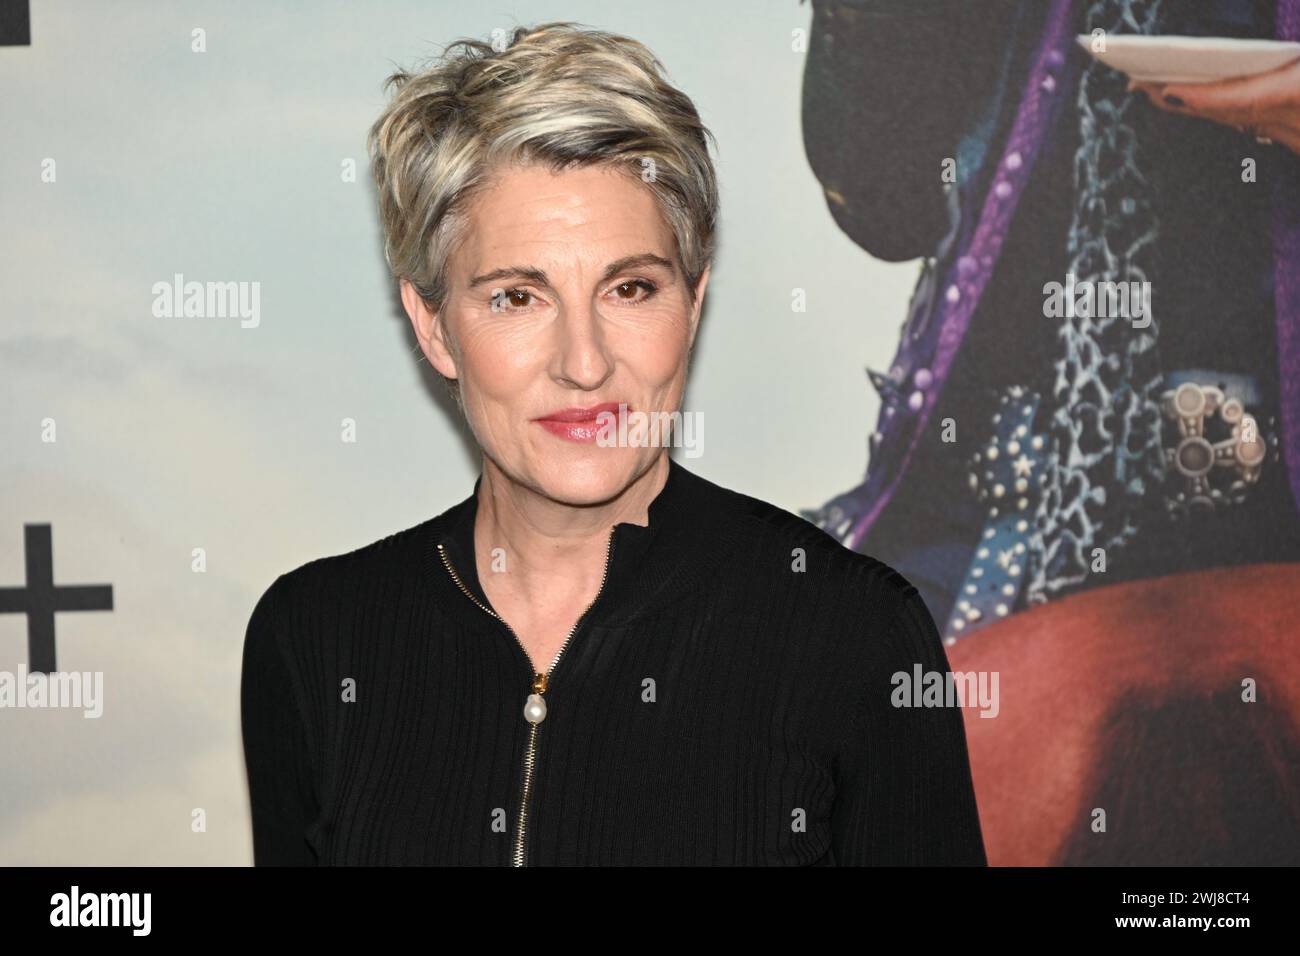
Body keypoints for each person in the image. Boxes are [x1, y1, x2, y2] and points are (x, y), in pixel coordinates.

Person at [239, 21, 987, 866]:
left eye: (631, 288)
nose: (585, 363)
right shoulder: (315, 638)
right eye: (517, 298)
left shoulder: (854, 633)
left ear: (693, 304)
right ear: (434, 326)